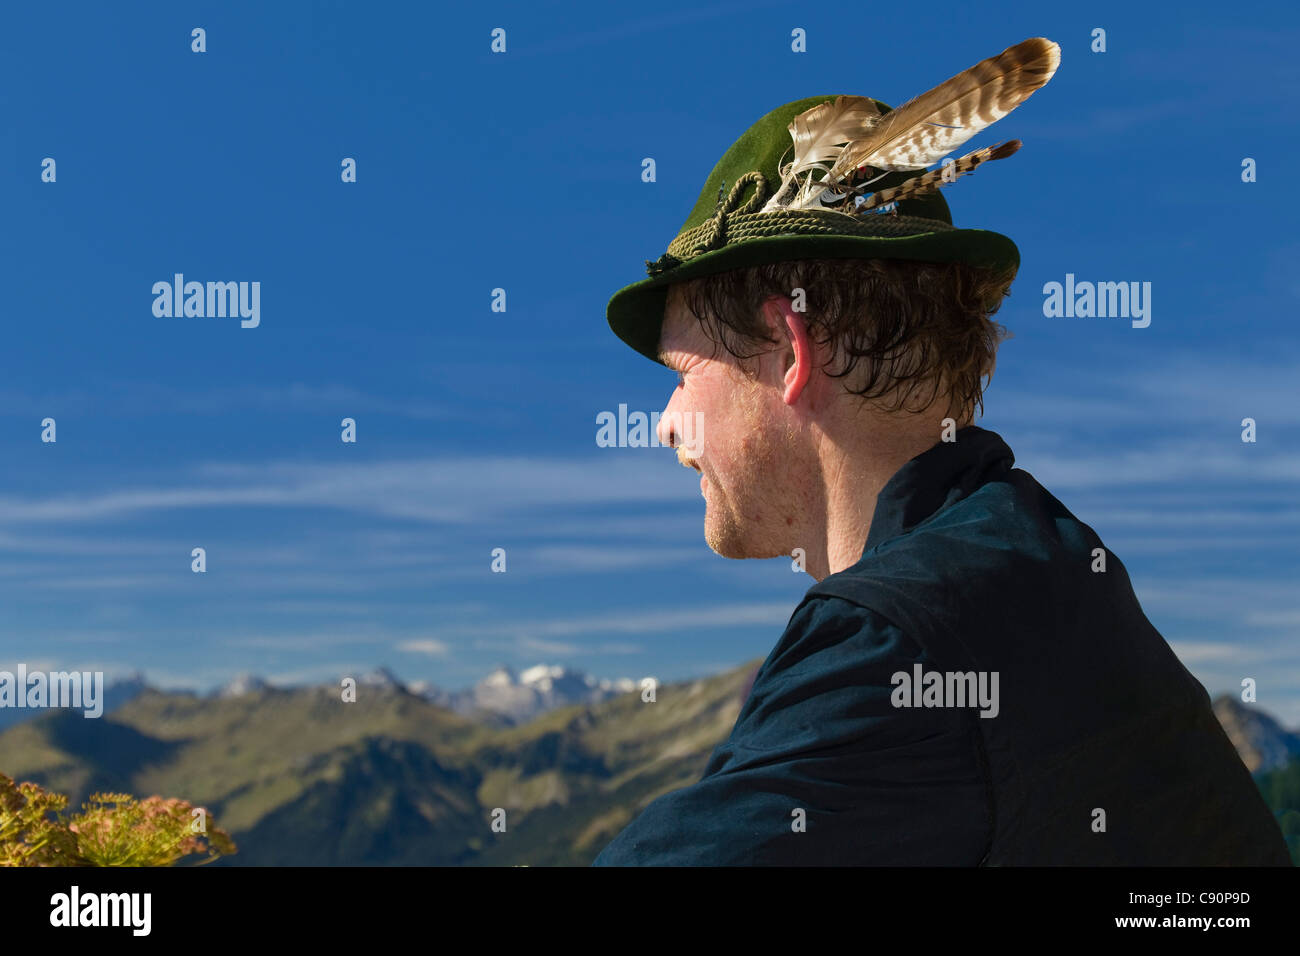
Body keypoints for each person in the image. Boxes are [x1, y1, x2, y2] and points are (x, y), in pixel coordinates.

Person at [591, 80, 1292, 865]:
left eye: (682, 371)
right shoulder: (1034, 560)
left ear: (790, 351)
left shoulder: (899, 639)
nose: (665, 424)